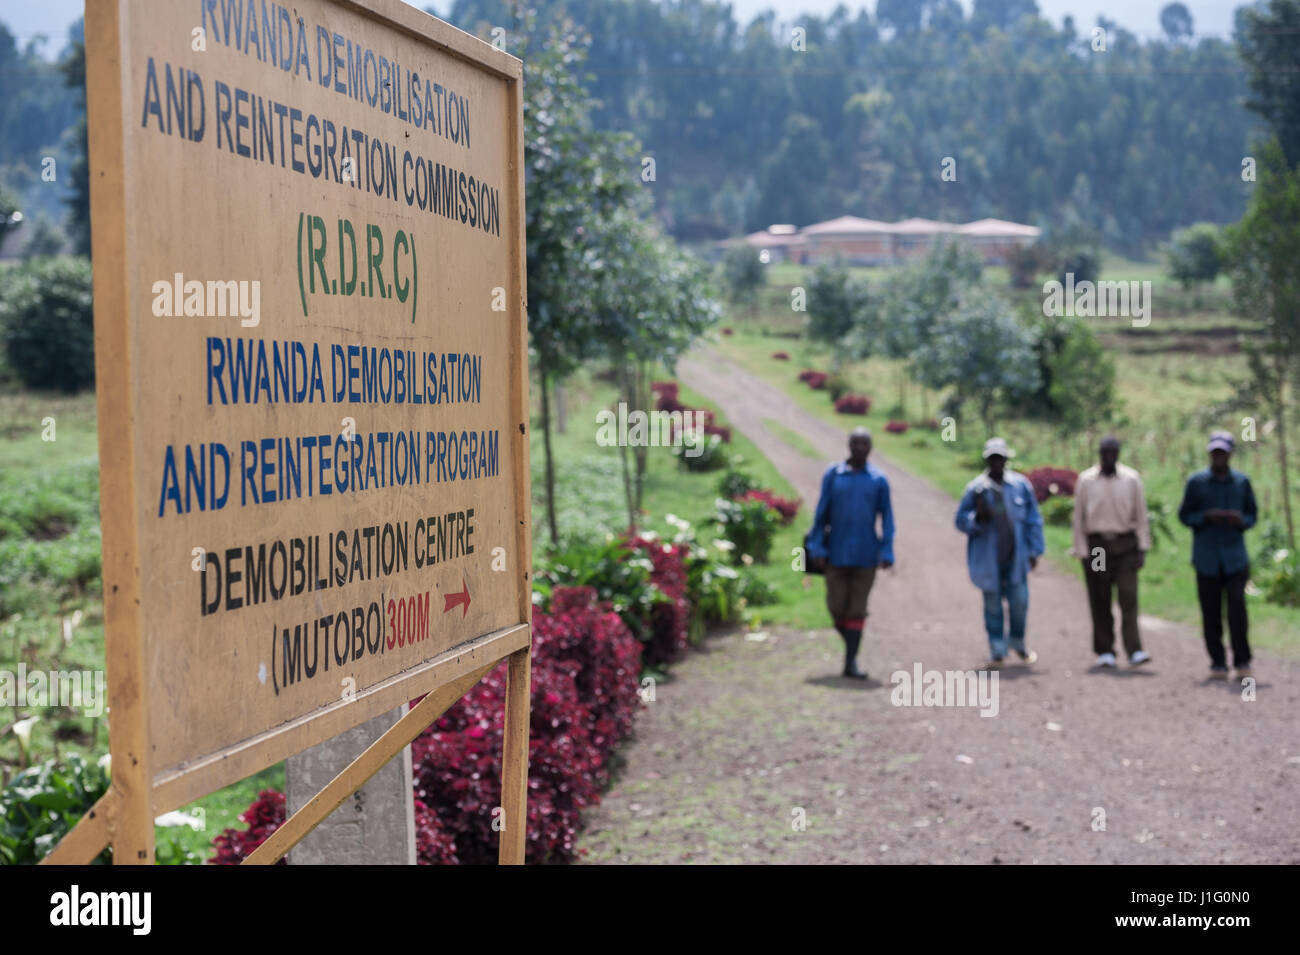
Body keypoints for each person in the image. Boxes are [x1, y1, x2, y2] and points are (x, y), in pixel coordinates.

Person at [807, 427, 895, 679]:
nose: (859, 448)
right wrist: (817, 547)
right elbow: (820, 514)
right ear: (848, 445)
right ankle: (851, 648)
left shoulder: (878, 480)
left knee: (857, 609)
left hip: (866, 555)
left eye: (864, 444)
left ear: (870, 447)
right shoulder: (834, 475)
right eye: (855, 443)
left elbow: (887, 518)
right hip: (835, 553)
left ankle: (850, 662)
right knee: (836, 607)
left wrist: (887, 551)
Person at [955, 437, 1045, 669]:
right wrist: (978, 518)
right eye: (992, 458)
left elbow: (1033, 519)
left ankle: (1018, 643)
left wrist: (1035, 550)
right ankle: (997, 650)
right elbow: (960, 521)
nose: (996, 462)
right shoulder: (976, 489)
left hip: (1016, 558)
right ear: (987, 460)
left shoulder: (1021, 485)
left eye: (1000, 458)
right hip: (988, 560)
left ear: (1006, 459)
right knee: (993, 607)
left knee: (1020, 603)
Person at [1178, 431, 1257, 680]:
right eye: (1215, 453)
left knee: (1237, 610)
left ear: (1230, 453)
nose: (1219, 457)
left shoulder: (1241, 482)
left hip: (1235, 558)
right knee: (1210, 612)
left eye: (1223, 452)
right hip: (1207, 558)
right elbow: (1184, 515)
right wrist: (1205, 517)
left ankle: (1242, 661)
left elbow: (1252, 515)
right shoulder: (1197, 482)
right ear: (1210, 453)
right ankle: (1218, 663)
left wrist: (1240, 520)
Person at [1071, 436, 1153, 669]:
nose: (1109, 456)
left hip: (1125, 546)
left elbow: (1141, 516)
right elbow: (1078, 519)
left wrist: (1142, 548)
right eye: (1105, 452)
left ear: (1118, 453)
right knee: (1100, 597)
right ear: (1099, 453)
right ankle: (1105, 649)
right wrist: (1081, 551)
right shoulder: (1086, 480)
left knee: (1128, 596)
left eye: (1112, 452)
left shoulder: (1131, 479)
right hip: (1098, 547)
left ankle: (1134, 649)